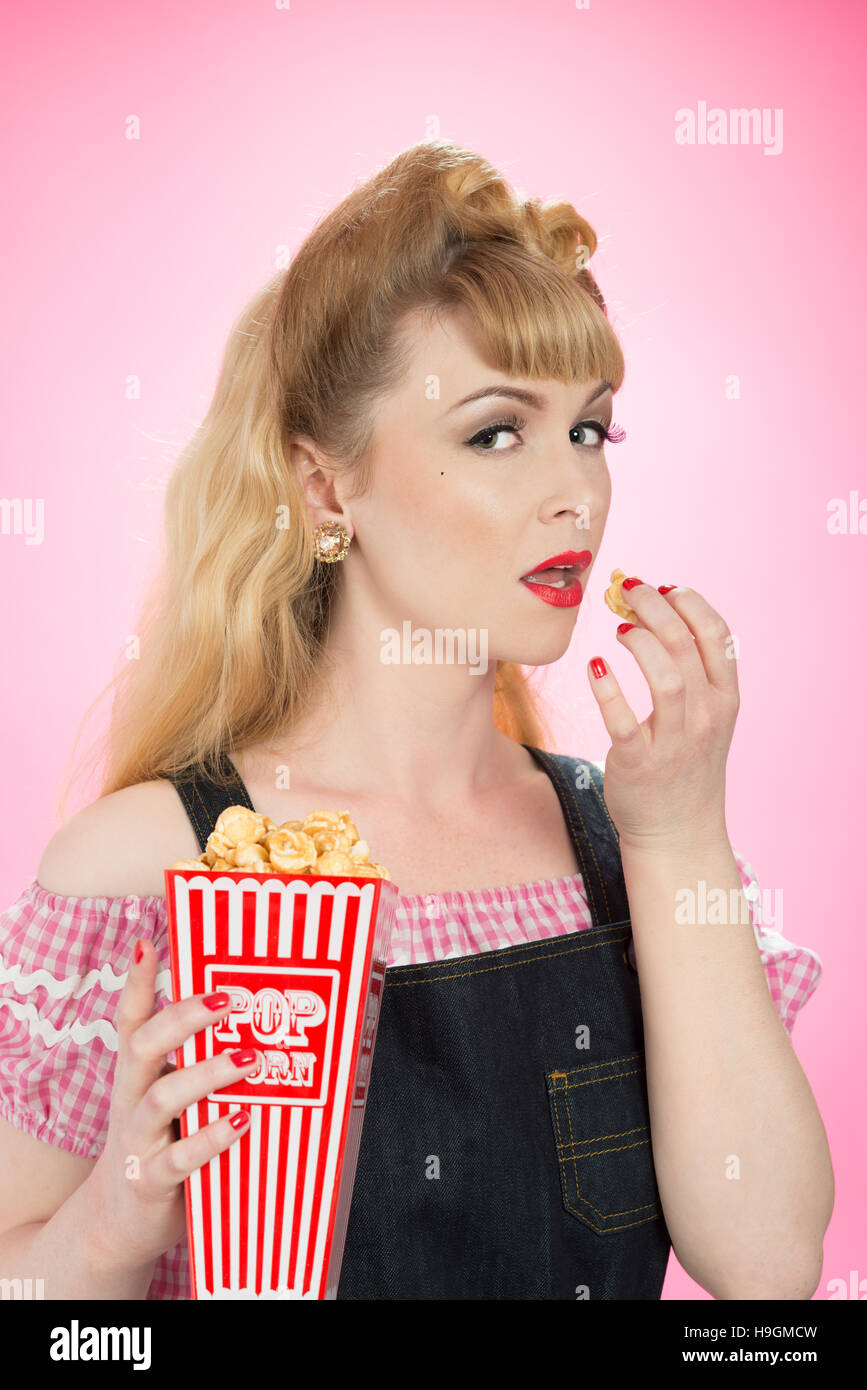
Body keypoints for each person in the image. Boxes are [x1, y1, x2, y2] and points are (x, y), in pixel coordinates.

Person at [0, 140, 831, 1301]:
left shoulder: (623, 850)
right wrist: (108, 1222)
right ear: (326, 488)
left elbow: (771, 1269)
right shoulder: (155, 868)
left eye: (590, 430)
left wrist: (681, 832)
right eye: (497, 431)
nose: (574, 494)